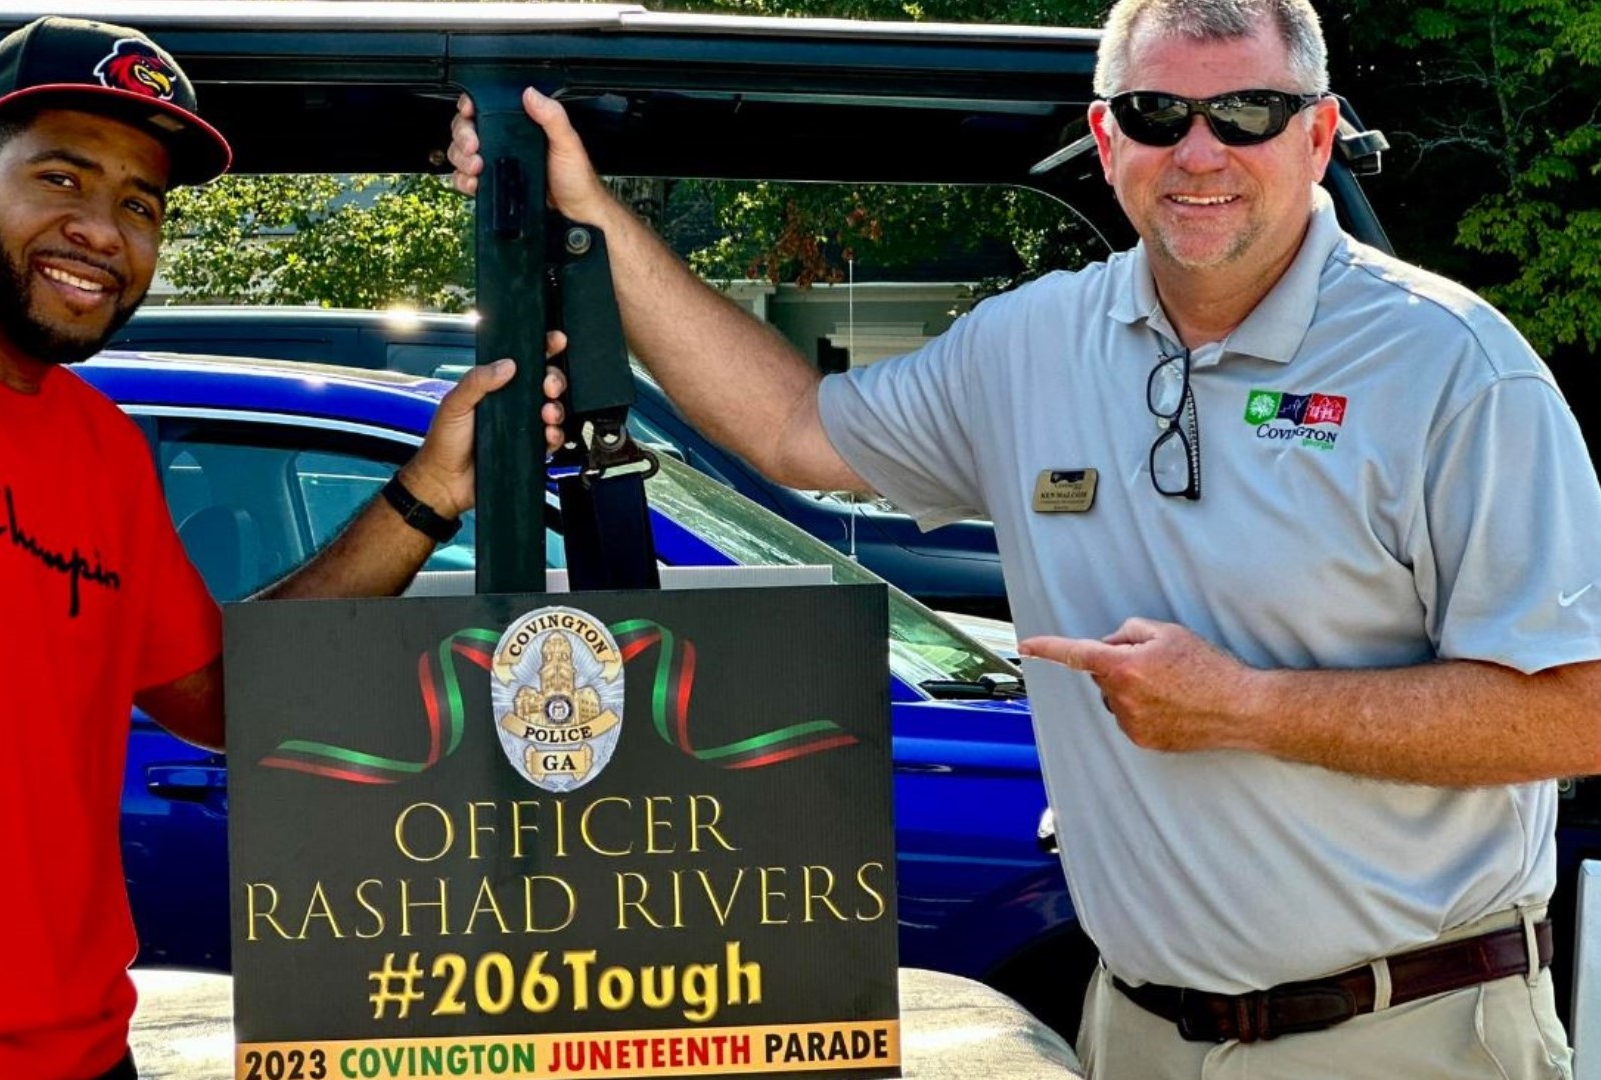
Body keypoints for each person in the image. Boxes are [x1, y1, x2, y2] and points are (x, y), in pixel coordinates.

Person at [445, 0, 1601, 1076]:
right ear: (1107, 139)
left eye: (1246, 112)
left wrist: (1246, 706)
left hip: (1405, 1033)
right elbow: (799, 430)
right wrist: (592, 219)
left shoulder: (1452, 367)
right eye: (1158, 115)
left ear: (1317, 137)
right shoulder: (1037, 340)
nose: (1200, 154)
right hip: (1136, 1029)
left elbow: (1577, 708)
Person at [0, 16, 564, 1080]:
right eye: (61, 177)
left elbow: (226, 698)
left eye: (139, 203)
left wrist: (426, 491)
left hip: (83, 1052)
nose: (103, 230)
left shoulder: (99, 448)